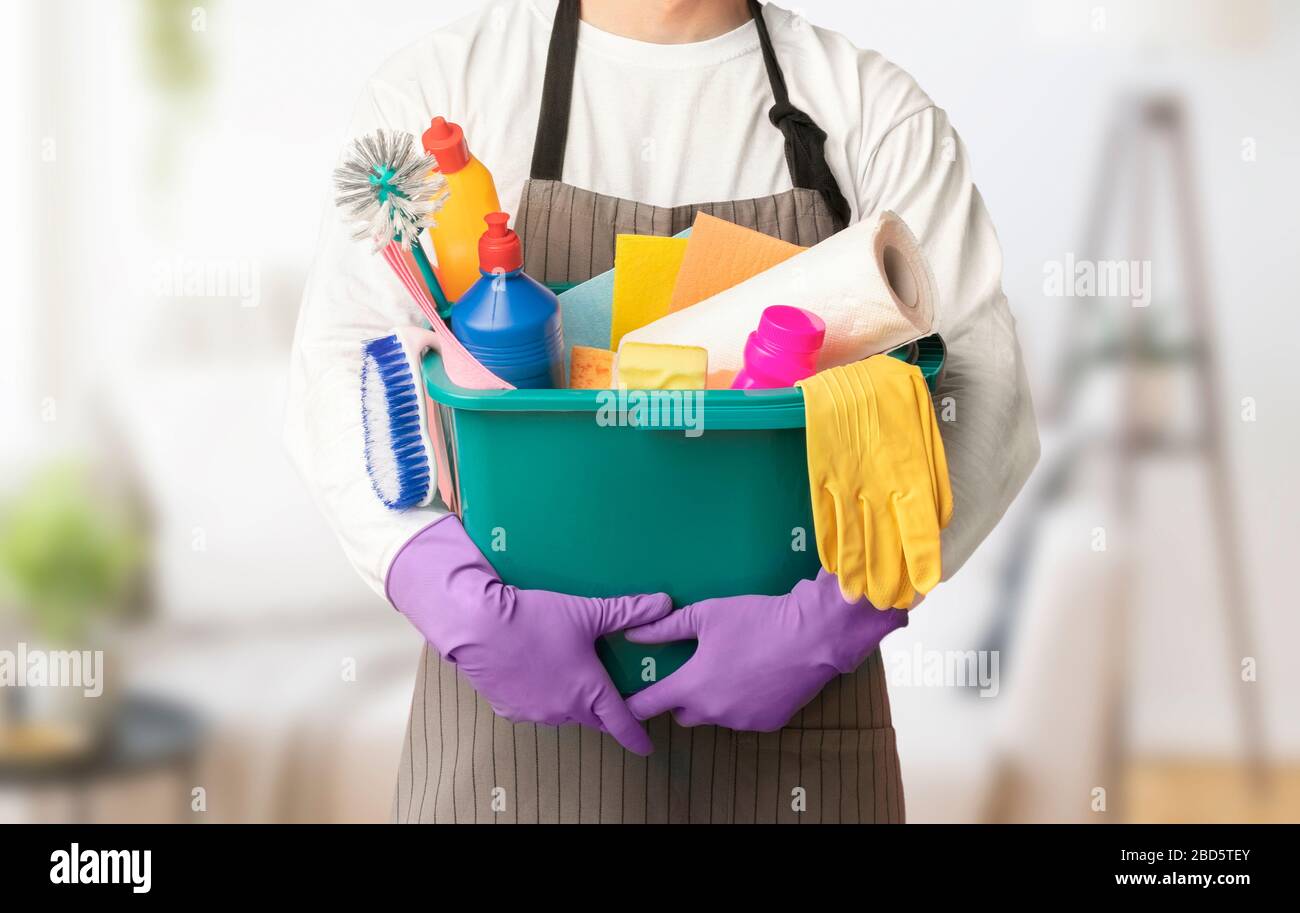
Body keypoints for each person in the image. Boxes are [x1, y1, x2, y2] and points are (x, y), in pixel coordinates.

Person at [285, 0, 1039, 823]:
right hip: (505, 761)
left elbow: (981, 382)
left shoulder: (872, 111)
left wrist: (838, 617)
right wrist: (452, 595)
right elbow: (345, 365)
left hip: (803, 753)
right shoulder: (443, 88)